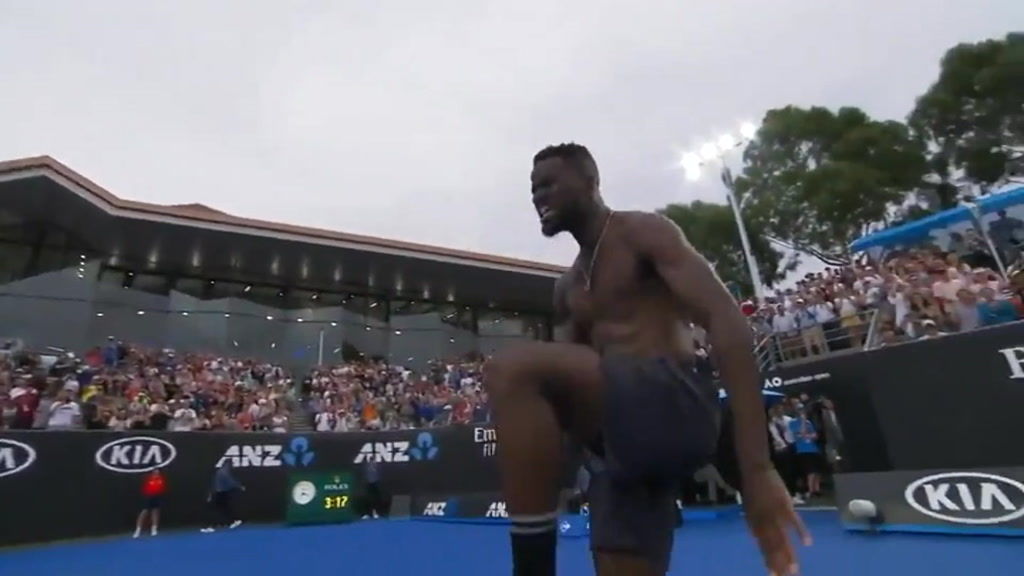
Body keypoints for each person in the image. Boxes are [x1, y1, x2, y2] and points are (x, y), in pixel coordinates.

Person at [484, 143, 809, 576]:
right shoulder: (567, 289)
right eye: (533, 188)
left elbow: (726, 320)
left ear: (590, 182)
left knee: (510, 369)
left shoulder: (641, 232)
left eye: (549, 184)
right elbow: (573, 391)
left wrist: (756, 467)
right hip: (624, 442)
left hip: (673, 399)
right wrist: (576, 474)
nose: (538, 196)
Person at [201, 460, 245, 533]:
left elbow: (230, 481)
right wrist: (240, 486)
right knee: (224, 509)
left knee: (218, 509)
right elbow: (228, 482)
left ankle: (213, 526)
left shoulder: (222, 472)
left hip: (221, 494)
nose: (232, 466)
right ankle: (234, 521)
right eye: (231, 464)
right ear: (227, 464)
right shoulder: (223, 472)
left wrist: (239, 486)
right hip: (220, 494)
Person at [133, 468, 166, 538]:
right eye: (155, 472)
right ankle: (138, 530)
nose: (156, 473)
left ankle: (154, 529)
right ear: (152, 473)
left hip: (157, 497)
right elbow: (145, 488)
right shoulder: (148, 479)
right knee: (144, 512)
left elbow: (162, 488)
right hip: (148, 497)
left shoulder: (161, 479)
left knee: (155, 512)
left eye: (158, 472)